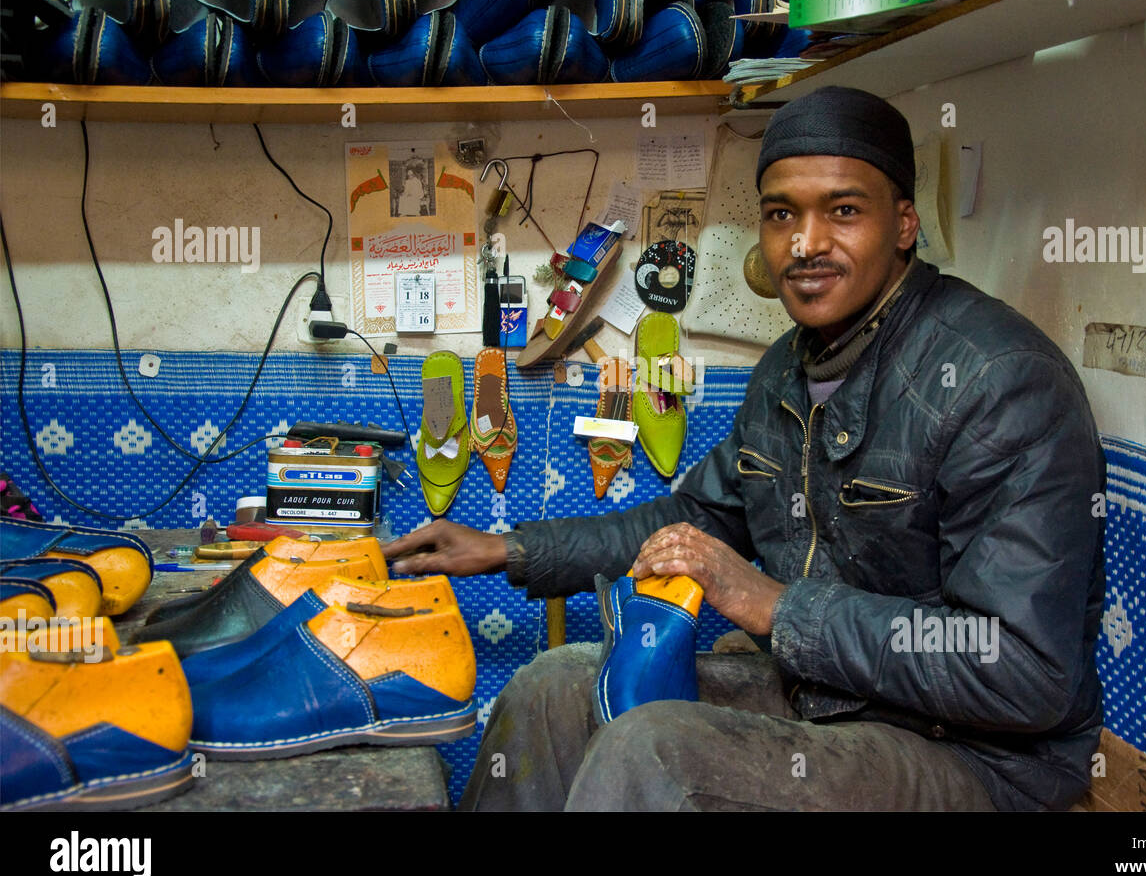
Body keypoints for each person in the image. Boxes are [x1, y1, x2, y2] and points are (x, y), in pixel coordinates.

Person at [383, 86, 1106, 811]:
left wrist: (776, 607)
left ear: (905, 224)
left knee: (650, 751)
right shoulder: (788, 371)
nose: (806, 243)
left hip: (971, 756)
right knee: (553, 690)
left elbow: (1024, 669)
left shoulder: (997, 380)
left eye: (844, 210)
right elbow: (689, 522)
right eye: (781, 214)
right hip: (827, 702)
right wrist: (506, 550)